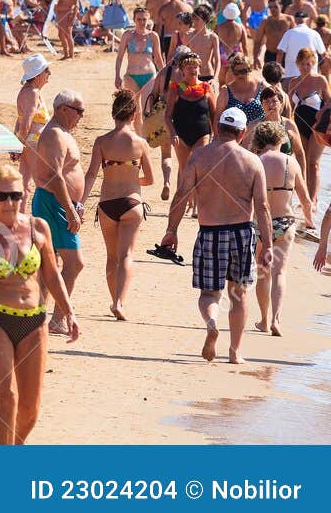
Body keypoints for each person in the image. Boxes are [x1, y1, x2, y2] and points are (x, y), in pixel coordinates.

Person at [0, 165, 80, 445]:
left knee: (30, 408)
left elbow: (51, 273)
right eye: (1, 196)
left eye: (15, 195)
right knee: (7, 396)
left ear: (24, 194)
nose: (9, 202)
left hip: (34, 320)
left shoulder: (38, 228)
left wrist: (68, 310)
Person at [160, 107, 272, 364]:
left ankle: (212, 322)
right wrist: (266, 243)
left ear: (217, 128)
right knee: (240, 294)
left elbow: (182, 194)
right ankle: (235, 352)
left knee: (209, 294)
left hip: (209, 232)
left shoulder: (199, 156)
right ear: (243, 133)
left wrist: (171, 230)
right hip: (241, 233)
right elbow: (263, 206)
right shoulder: (253, 161)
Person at [80, 89, 154, 320]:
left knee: (111, 257)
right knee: (126, 255)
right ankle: (119, 302)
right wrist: (132, 178)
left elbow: (92, 174)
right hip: (132, 202)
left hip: (107, 203)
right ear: (134, 115)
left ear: (114, 114)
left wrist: (80, 203)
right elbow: (150, 179)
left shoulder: (102, 142)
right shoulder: (140, 143)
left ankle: (114, 300)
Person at [31, 89, 86, 334]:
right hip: (53, 202)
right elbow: (54, 176)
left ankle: (40, 317)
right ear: (64, 109)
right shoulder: (54, 134)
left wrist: (76, 205)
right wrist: (69, 210)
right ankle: (56, 319)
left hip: (58, 203)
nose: (81, 116)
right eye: (79, 111)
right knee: (74, 263)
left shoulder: (62, 133)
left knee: (49, 262)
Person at [251, 122, 313, 337]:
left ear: (259, 139)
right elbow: (305, 199)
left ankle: (264, 319)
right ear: (281, 140)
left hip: (260, 223)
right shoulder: (291, 162)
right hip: (285, 222)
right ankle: (277, 318)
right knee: (280, 272)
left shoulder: (255, 161)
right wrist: (309, 220)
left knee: (262, 273)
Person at [163, 52, 216, 186]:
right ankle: (183, 201)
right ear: (182, 70)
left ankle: (195, 204)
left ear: (199, 69)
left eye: (195, 67)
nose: (193, 70)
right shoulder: (176, 88)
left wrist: (217, 137)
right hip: (181, 135)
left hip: (202, 134)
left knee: (200, 167)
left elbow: (214, 115)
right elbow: (167, 116)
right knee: (184, 169)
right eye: (188, 67)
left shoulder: (206, 87)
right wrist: (173, 133)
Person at [287, 47, 328, 196]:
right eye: (303, 64)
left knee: (313, 164)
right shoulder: (293, 82)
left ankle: (314, 200)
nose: (305, 67)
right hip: (299, 124)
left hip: (317, 126)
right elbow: (289, 107)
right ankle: (305, 200)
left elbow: (329, 102)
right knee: (302, 162)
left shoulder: (320, 80)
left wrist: (322, 112)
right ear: (297, 64)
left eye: (309, 64)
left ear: (313, 63)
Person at [13, 55, 51, 194]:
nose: (49, 73)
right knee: (42, 183)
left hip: (28, 142)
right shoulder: (33, 93)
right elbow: (26, 122)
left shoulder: (26, 91)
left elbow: (20, 120)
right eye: (46, 70)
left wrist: (17, 143)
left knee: (24, 185)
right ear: (37, 75)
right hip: (33, 143)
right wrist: (19, 145)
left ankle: (19, 214)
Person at [278, 9, 324, 84]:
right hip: (310, 75)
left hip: (291, 75)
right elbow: (323, 53)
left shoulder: (289, 33)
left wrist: (279, 67)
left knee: (289, 95)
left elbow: (280, 52)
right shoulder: (314, 33)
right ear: (307, 19)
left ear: (295, 19)